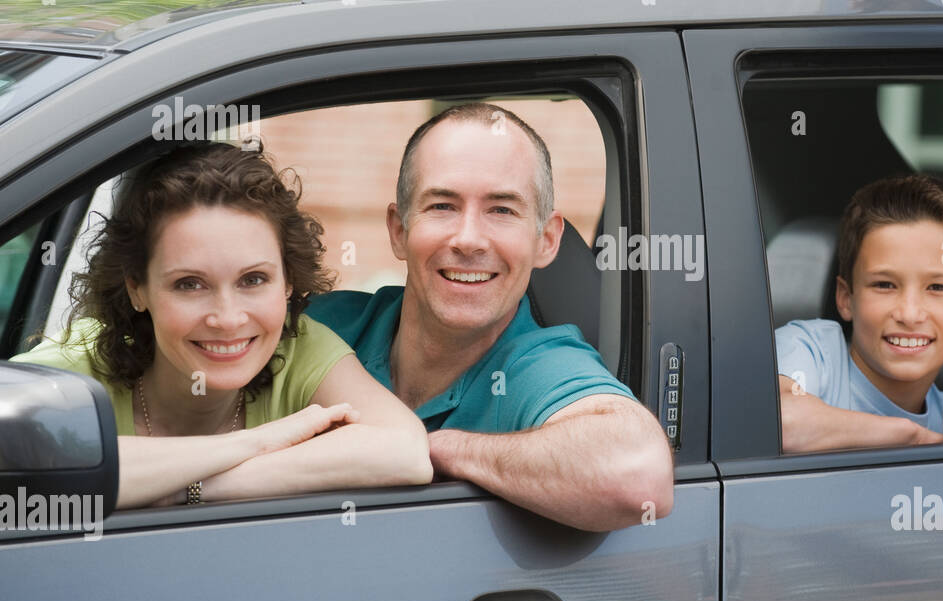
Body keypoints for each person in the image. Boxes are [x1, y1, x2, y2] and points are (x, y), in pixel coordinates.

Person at [305, 103, 674, 532]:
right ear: (399, 230)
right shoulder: (319, 328)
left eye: (502, 210)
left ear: (547, 241)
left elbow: (640, 477)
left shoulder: (538, 364)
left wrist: (424, 449)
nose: (468, 239)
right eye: (442, 205)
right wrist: (203, 490)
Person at [10, 142, 432, 508]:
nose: (228, 318)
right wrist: (257, 442)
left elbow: (405, 451)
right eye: (189, 284)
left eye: (253, 280)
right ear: (137, 288)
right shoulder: (76, 370)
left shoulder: (299, 349)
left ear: (287, 281)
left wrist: (193, 487)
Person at [775, 175, 943, 452]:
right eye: (884, 285)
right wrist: (911, 436)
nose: (909, 314)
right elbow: (782, 423)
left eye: (937, 287)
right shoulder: (811, 351)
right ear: (845, 297)